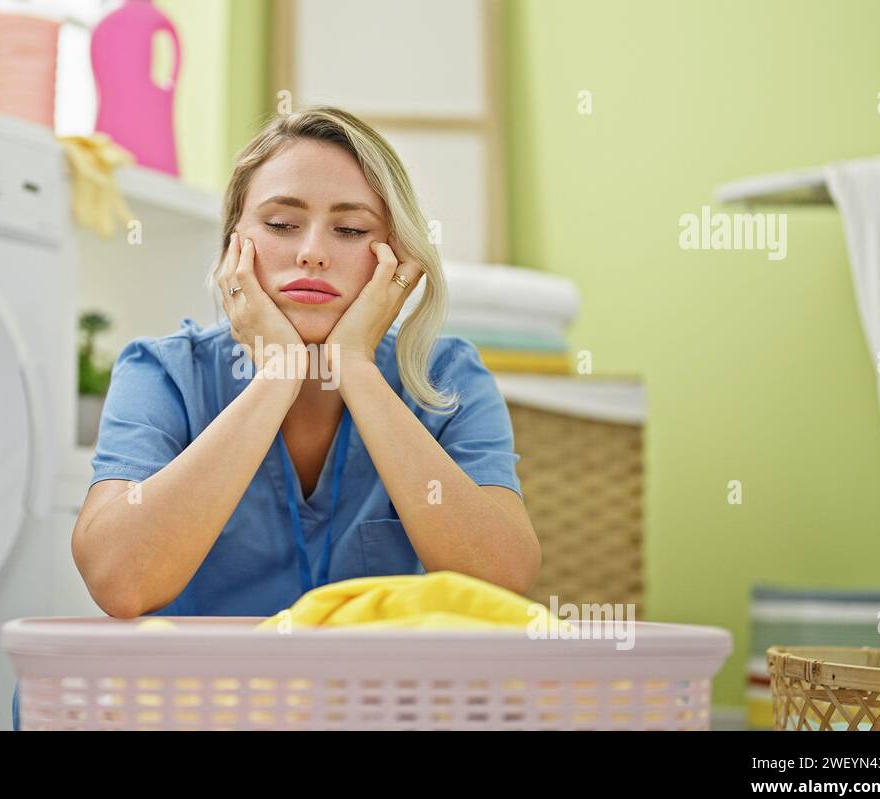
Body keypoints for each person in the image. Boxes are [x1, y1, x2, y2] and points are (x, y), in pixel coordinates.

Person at [71, 105, 541, 618]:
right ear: (233, 246)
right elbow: (120, 583)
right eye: (281, 224)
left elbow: (501, 581)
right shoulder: (162, 374)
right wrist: (278, 374)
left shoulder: (449, 377)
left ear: (397, 255)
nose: (312, 253)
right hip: (202, 673)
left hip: (372, 673)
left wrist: (355, 367)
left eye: (351, 230)